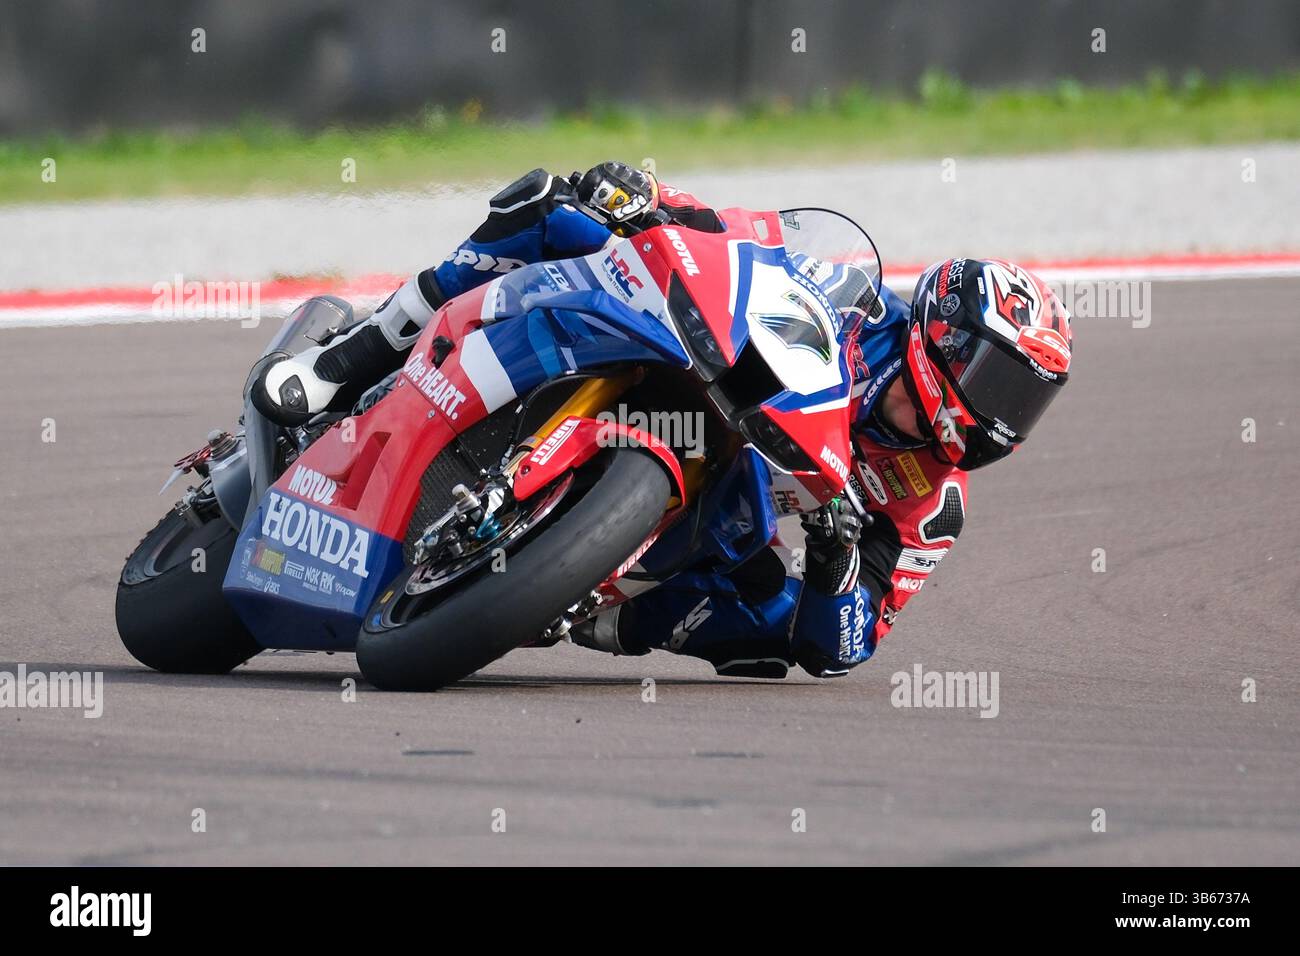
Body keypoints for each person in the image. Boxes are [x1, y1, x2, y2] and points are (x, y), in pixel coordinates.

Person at [253, 162, 1073, 679]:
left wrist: (833, 557)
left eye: (1026, 400)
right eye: (1000, 379)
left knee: (770, 632)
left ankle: (598, 609)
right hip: (689, 356)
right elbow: (740, 236)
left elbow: (847, 647)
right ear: (946, 334)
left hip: (726, 500)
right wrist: (651, 199)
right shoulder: (852, 296)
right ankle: (351, 358)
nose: (1003, 415)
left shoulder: (931, 501)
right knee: (547, 206)